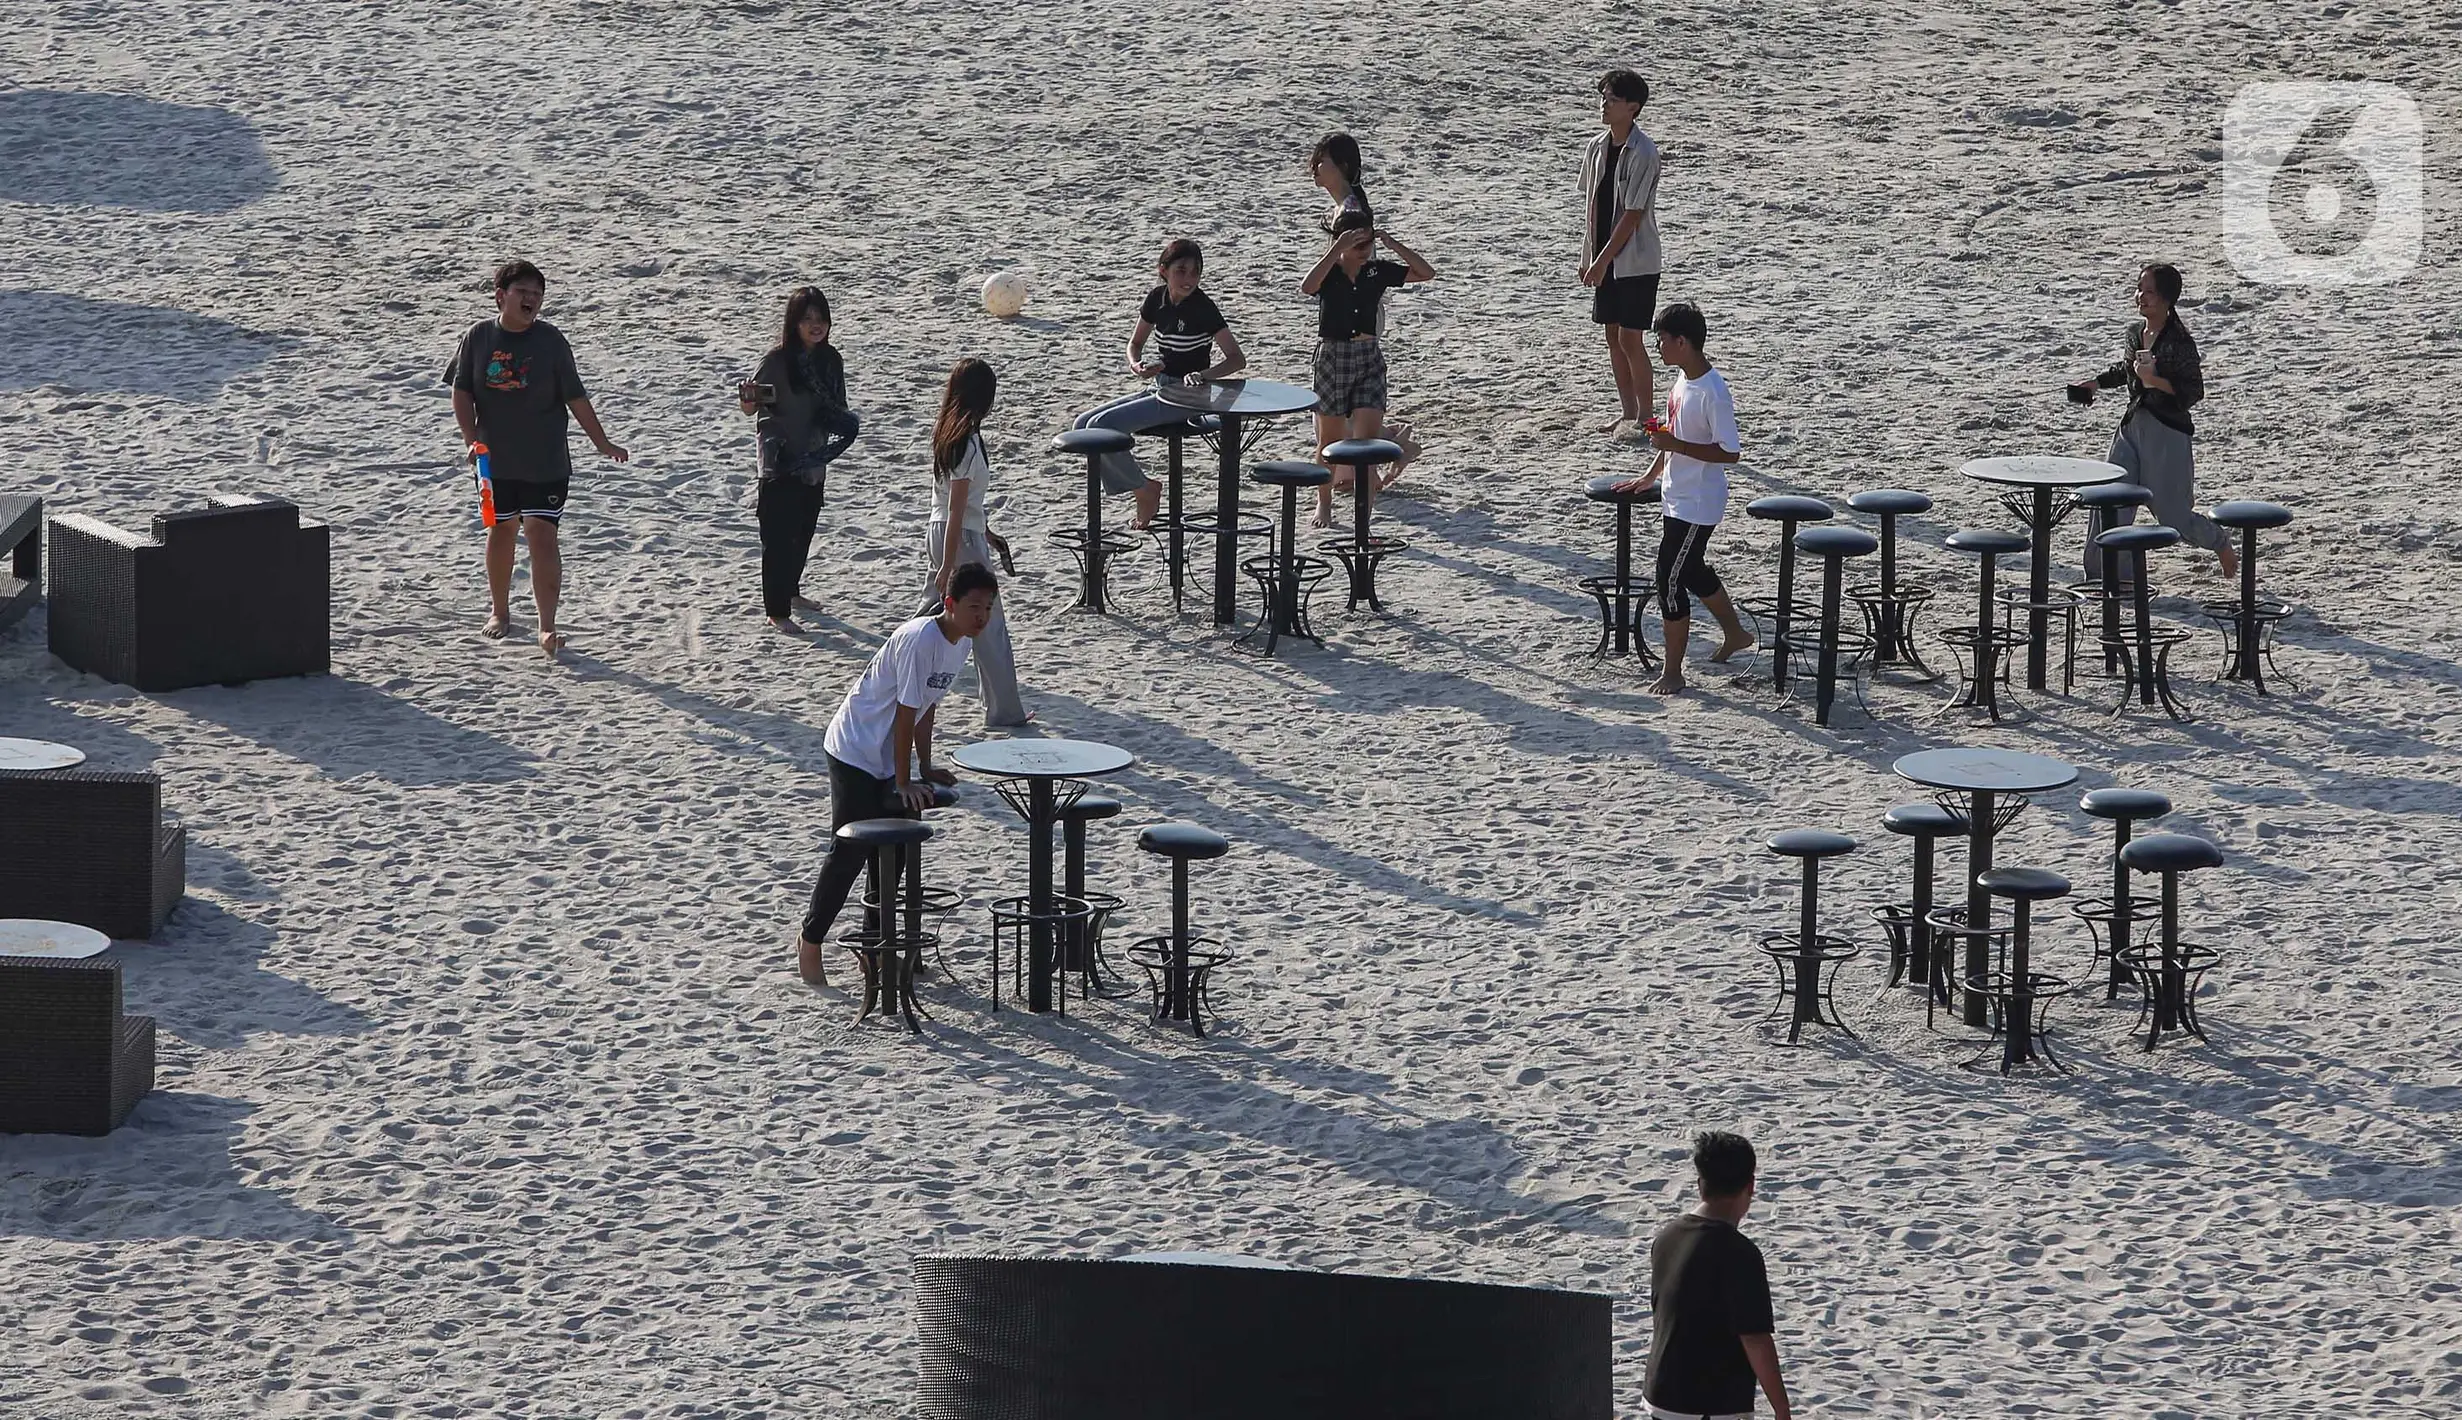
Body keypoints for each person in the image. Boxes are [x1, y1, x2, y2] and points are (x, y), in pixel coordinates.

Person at [794, 563, 997, 986]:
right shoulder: (920, 639)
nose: (982, 616)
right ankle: (810, 941)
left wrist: (925, 767)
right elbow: (905, 713)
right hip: (854, 748)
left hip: (891, 757)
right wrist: (903, 782)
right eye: (974, 607)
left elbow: (926, 708)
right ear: (950, 604)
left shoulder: (959, 644)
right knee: (849, 849)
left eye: (989, 608)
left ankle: (875, 945)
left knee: (898, 850)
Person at [447, 259, 628, 658]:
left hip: (546, 460)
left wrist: (601, 442)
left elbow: (575, 397)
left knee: (543, 536)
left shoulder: (551, 341)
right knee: (502, 531)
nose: (531, 299)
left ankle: (547, 626)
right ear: (501, 296)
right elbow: (461, 392)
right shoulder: (477, 337)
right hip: (494, 461)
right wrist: (470, 440)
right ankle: (499, 611)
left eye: (537, 294)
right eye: (522, 292)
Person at [1616, 302, 1752, 695]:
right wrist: (1649, 475)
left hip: (1699, 501)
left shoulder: (1714, 392)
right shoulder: (1681, 380)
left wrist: (1676, 443)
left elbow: (1730, 453)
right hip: (1677, 494)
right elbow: (1671, 437)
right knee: (1690, 570)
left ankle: (1673, 671)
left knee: (1669, 579)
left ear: (1683, 341)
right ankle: (1736, 633)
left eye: (1661, 340)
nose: (1657, 346)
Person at [1070, 238, 1248, 527]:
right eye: (1181, 271)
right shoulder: (1157, 299)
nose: (1189, 279)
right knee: (1082, 425)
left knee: (1103, 427)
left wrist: (1204, 375)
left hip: (1190, 396)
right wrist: (1136, 365)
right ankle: (1141, 486)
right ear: (1163, 270)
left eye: (1195, 272)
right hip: (1160, 385)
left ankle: (1144, 490)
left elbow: (1236, 359)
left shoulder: (1203, 308)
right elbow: (1135, 343)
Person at [2067, 263, 2230, 578]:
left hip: (2167, 434)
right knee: (2110, 502)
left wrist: (2154, 381)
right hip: (2131, 429)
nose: (2141, 296)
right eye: (2139, 288)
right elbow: (2125, 369)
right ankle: (2107, 577)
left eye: (2149, 291)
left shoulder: (2179, 341)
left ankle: (2220, 543)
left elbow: (2193, 392)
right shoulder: (2134, 333)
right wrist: (2095, 384)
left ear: (2167, 299)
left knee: (2173, 517)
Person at [1645, 1131, 1795, 1420]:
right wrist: (1782, 1408)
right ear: (1750, 1186)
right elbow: (1755, 1339)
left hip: (1660, 1396)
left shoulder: (1667, 1237)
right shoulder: (1740, 1254)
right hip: (1709, 1405)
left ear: (1701, 1185)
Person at [739, 286, 861, 634]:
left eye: (820, 318)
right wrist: (748, 400)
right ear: (794, 323)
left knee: (803, 530)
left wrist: (844, 425)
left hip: (812, 457)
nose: (815, 325)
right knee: (777, 536)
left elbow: (839, 404)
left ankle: (791, 592)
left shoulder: (831, 360)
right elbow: (751, 407)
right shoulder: (776, 361)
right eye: (807, 319)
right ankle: (776, 610)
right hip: (779, 459)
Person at [1301, 210, 1435, 527]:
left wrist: (1391, 242)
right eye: (1357, 241)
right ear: (1342, 240)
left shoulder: (1376, 271)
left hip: (1369, 357)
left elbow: (1425, 272)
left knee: (1366, 444)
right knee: (1330, 442)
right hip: (1333, 357)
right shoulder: (1330, 272)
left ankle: (1364, 515)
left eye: (1368, 240)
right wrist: (1337, 248)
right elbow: (1307, 287)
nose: (1364, 247)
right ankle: (1324, 504)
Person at [920, 358, 1029, 727]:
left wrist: (987, 532)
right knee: (988, 624)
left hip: (944, 531)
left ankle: (892, 672)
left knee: (930, 615)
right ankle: (1005, 713)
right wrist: (950, 564)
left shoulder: (947, 433)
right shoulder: (967, 443)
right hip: (957, 536)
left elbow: (959, 507)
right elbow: (957, 508)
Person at [1579, 69, 1665, 442]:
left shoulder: (1644, 151)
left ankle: (1647, 418)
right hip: (1605, 258)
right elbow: (1592, 206)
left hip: (1636, 261)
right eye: (1603, 97)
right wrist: (1589, 254)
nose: (1604, 104)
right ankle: (1627, 413)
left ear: (1633, 108)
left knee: (1632, 339)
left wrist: (1601, 262)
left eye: (1611, 99)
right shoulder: (1597, 147)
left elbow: (1632, 215)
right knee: (1612, 336)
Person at [1308, 131, 1374, 235]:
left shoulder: (1351, 214)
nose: (1313, 167)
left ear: (1343, 166)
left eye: (1320, 161)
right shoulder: (1346, 206)